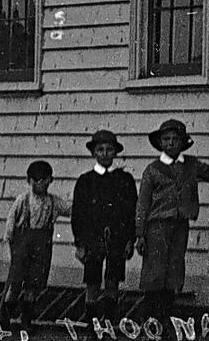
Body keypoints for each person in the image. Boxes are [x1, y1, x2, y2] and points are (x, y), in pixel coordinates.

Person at [134, 119, 209, 325]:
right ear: (160, 143)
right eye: (166, 139)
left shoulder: (190, 165)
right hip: (157, 227)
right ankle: (150, 319)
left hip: (180, 225)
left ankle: (166, 316)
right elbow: (142, 204)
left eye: (175, 139)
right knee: (155, 272)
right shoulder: (152, 170)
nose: (171, 143)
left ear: (183, 142)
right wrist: (139, 233)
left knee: (174, 269)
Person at [72, 129, 138, 323]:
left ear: (115, 153)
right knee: (92, 282)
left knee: (112, 280)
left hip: (117, 238)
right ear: (94, 153)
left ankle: (109, 322)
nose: (105, 153)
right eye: (100, 149)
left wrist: (129, 240)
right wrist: (80, 243)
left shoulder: (124, 180)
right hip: (92, 239)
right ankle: (92, 325)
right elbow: (78, 215)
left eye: (109, 149)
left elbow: (131, 212)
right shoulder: (85, 181)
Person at [1, 159, 73, 330]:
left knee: (33, 285)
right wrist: (10, 240)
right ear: (28, 181)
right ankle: (4, 319)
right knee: (15, 284)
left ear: (50, 180)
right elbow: (11, 220)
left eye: (44, 180)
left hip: (42, 248)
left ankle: (26, 321)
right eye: (35, 180)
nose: (40, 184)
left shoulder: (53, 202)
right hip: (22, 247)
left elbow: (71, 210)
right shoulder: (23, 200)